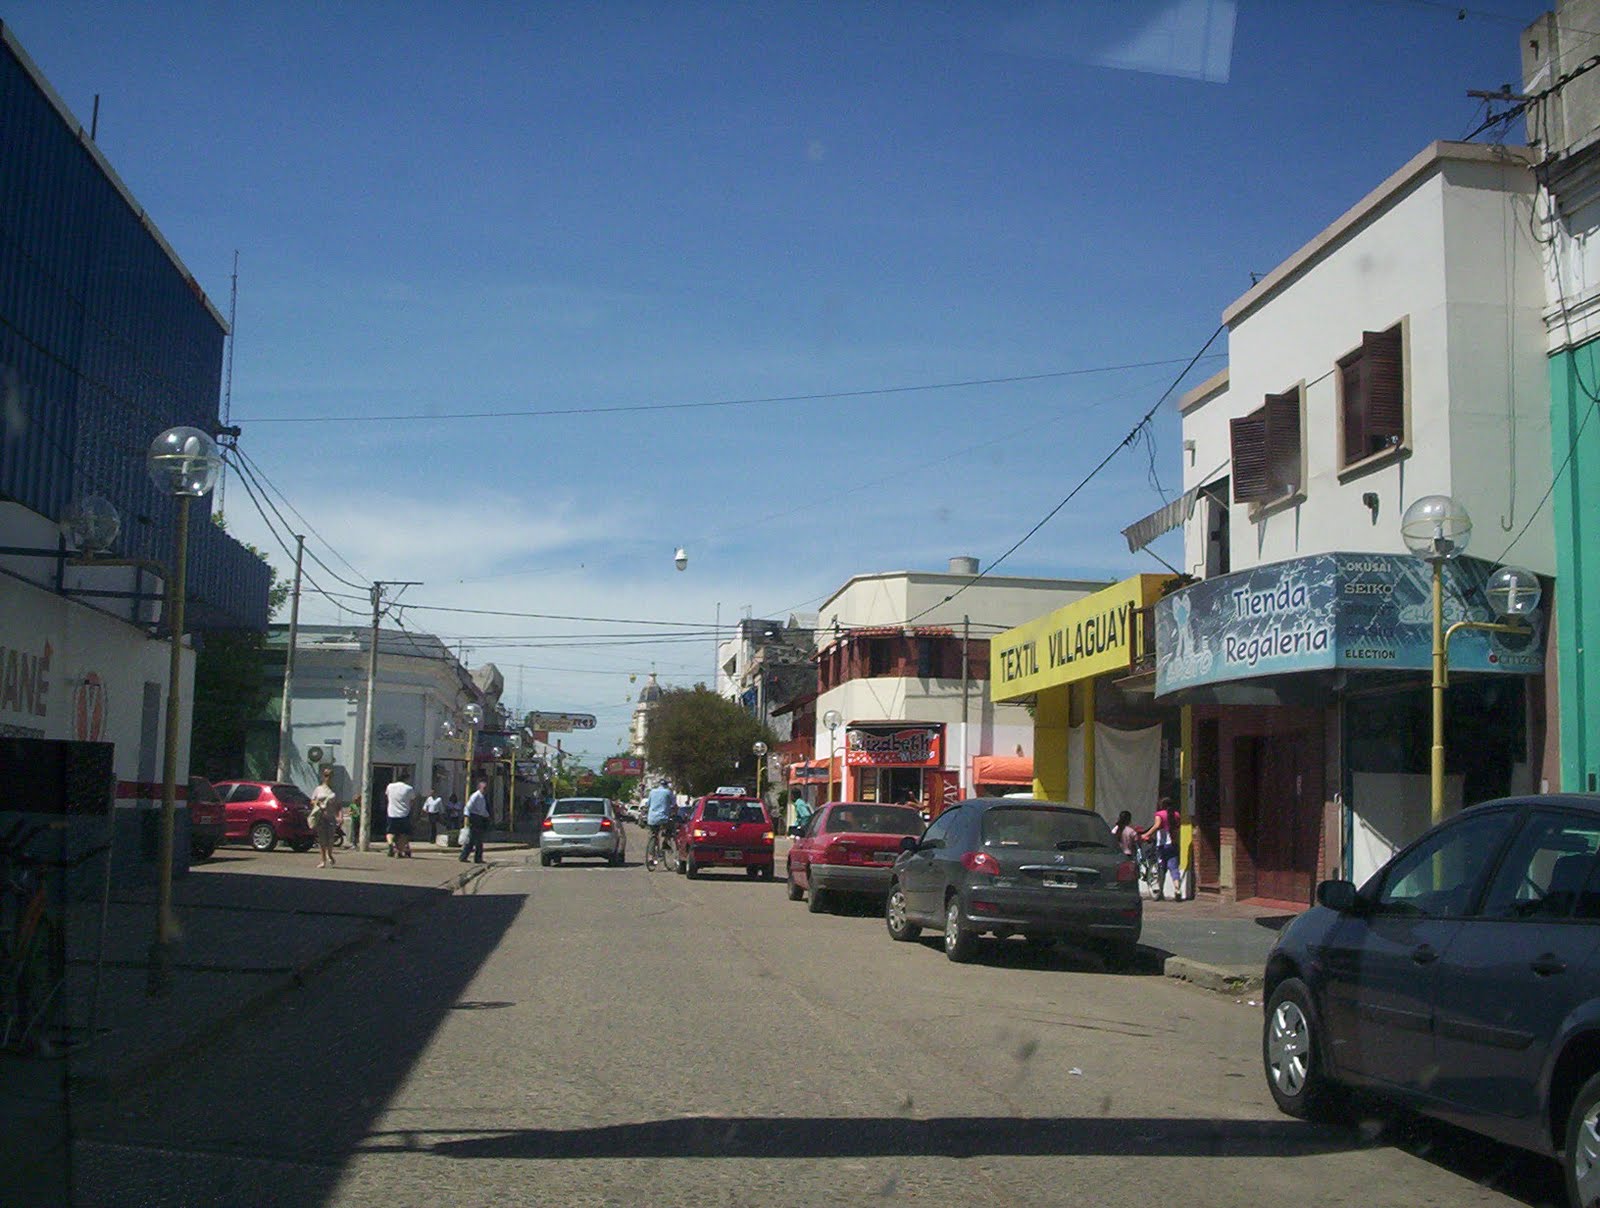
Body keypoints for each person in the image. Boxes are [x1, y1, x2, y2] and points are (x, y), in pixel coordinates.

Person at [1141, 797, 1182, 901]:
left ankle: (1160, 891)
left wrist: (1146, 834)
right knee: (1174, 867)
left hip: (1162, 845)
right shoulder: (1176, 815)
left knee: (1161, 868)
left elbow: (1157, 826)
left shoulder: (1159, 815)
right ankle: (1177, 889)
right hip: (1173, 844)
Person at [310, 767, 339, 868]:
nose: (328, 778)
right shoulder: (319, 789)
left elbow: (338, 804)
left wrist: (340, 816)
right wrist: (317, 802)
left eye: (330, 776)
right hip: (321, 817)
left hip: (331, 817)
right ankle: (323, 860)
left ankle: (330, 854)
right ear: (323, 777)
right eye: (326, 775)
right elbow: (312, 800)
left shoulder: (334, 790)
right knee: (322, 839)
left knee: (331, 839)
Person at [385, 777, 417, 858]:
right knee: (404, 834)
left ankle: (391, 844)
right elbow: (412, 801)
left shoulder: (390, 786)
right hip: (404, 814)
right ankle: (399, 850)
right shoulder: (409, 788)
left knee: (390, 832)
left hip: (391, 813)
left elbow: (387, 796)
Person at [460, 778, 490, 864]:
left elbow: (482, 810)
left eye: (486, 788)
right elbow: (468, 806)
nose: (485, 790)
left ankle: (464, 856)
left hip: (479, 818)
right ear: (479, 787)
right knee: (478, 840)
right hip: (474, 818)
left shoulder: (482, 797)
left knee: (473, 840)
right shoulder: (476, 795)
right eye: (484, 788)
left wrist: (487, 816)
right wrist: (467, 817)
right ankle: (477, 858)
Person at [645, 780, 676, 862]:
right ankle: (665, 842)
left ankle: (651, 856)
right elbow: (673, 805)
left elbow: (647, 804)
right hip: (663, 818)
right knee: (671, 828)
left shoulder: (652, 792)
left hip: (652, 818)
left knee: (653, 834)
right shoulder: (668, 792)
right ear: (666, 785)